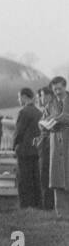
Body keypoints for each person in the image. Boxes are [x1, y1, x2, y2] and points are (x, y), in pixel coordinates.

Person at [13, 88, 42, 210]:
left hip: (24, 151)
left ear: (24, 97)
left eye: (19, 97)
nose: (18, 100)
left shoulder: (23, 112)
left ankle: (25, 205)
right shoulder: (38, 112)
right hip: (36, 150)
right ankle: (36, 204)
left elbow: (18, 132)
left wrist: (14, 147)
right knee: (35, 179)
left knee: (24, 179)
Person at [47, 76, 69, 212]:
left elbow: (65, 117)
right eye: (54, 90)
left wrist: (56, 119)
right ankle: (61, 213)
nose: (57, 92)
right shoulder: (50, 104)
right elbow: (44, 118)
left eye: (59, 89)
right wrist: (43, 124)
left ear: (65, 87)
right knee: (57, 180)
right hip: (56, 145)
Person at [37, 86, 56, 210]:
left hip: (48, 145)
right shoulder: (47, 107)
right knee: (44, 175)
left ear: (49, 95)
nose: (41, 98)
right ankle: (46, 203)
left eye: (42, 95)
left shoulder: (53, 107)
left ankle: (48, 205)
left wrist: (42, 123)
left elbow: (49, 124)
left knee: (46, 174)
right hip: (45, 144)